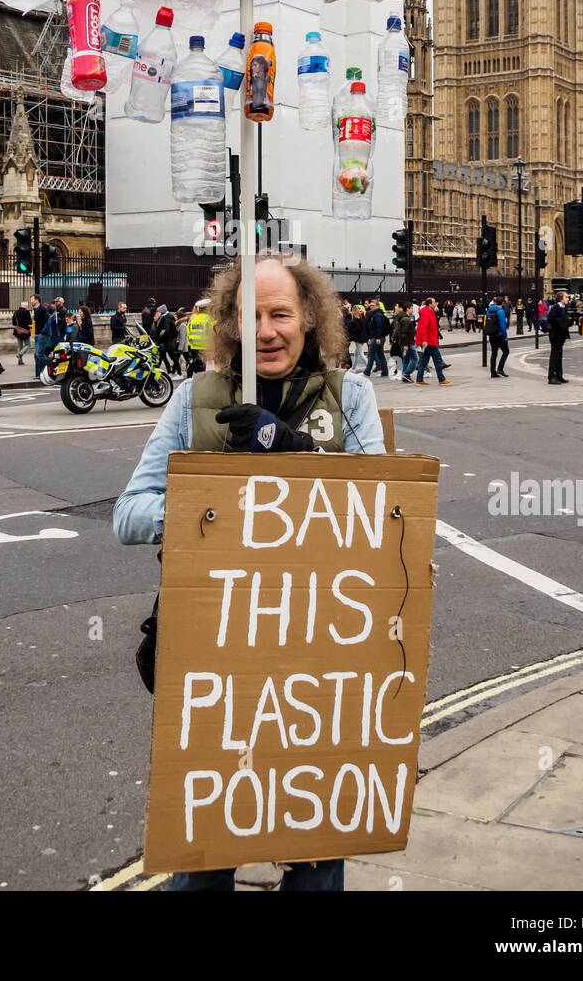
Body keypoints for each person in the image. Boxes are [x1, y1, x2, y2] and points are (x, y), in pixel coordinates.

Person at [114, 253, 384, 893]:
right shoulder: (194, 398)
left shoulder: (352, 398)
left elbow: (386, 512)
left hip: (319, 671)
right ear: (230, 325)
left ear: (310, 317)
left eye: (281, 313)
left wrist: (298, 458)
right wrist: (219, 502)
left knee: (316, 864)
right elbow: (129, 515)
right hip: (215, 661)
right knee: (200, 865)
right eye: (251, 314)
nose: (266, 329)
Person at [415, 297, 450, 385]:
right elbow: (424, 328)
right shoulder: (427, 313)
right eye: (434, 303)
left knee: (424, 360)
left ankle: (419, 379)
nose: (436, 304)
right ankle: (441, 379)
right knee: (437, 359)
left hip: (430, 340)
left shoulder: (429, 312)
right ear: (430, 304)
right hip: (429, 341)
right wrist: (424, 340)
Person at [546, 291, 571, 384]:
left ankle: (559, 376)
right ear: (561, 298)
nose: (568, 298)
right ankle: (551, 377)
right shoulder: (556, 307)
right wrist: (564, 322)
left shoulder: (564, 308)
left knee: (559, 356)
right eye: (566, 297)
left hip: (561, 335)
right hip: (555, 335)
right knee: (554, 356)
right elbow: (551, 319)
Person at [153, 303, 181, 376]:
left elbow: (166, 331)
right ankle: (169, 372)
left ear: (161, 312)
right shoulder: (165, 318)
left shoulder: (167, 319)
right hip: (166, 342)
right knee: (163, 358)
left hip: (168, 342)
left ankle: (179, 373)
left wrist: (160, 338)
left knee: (173, 359)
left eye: (158, 312)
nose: (157, 314)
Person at [186, 299, 212, 375]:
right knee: (207, 372)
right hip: (207, 349)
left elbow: (188, 332)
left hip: (194, 349)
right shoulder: (210, 320)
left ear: (198, 309)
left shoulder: (193, 320)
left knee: (198, 371)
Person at [363, 300, 389, 379]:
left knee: (371, 354)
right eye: (370, 305)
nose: (371, 307)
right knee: (381, 354)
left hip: (377, 338)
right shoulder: (378, 314)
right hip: (378, 337)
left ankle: (366, 373)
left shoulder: (377, 315)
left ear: (377, 306)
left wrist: (377, 338)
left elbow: (379, 327)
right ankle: (385, 372)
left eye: (373, 305)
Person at [485, 299, 510, 378]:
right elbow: (503, 326)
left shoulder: (489, 310)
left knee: (494, 353)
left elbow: (486, 322)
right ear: (502, 303)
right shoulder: (501, 311)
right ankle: (500, 369)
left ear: (495, 303)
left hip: (491, 335)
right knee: (506, 352)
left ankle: (493, 372)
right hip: (499, 335)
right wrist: (505, 336)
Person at [394, 302, 418, 382]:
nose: (412, 310)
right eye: (411, 308)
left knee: (406, 359)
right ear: (408, 309)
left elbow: (398, 331)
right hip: (408, 342)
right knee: (415, 358)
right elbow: (404, 333)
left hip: (403, 342)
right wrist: (406, 344)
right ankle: (406, 374)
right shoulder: (406, 319)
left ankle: (404, 375)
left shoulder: (402, 318)